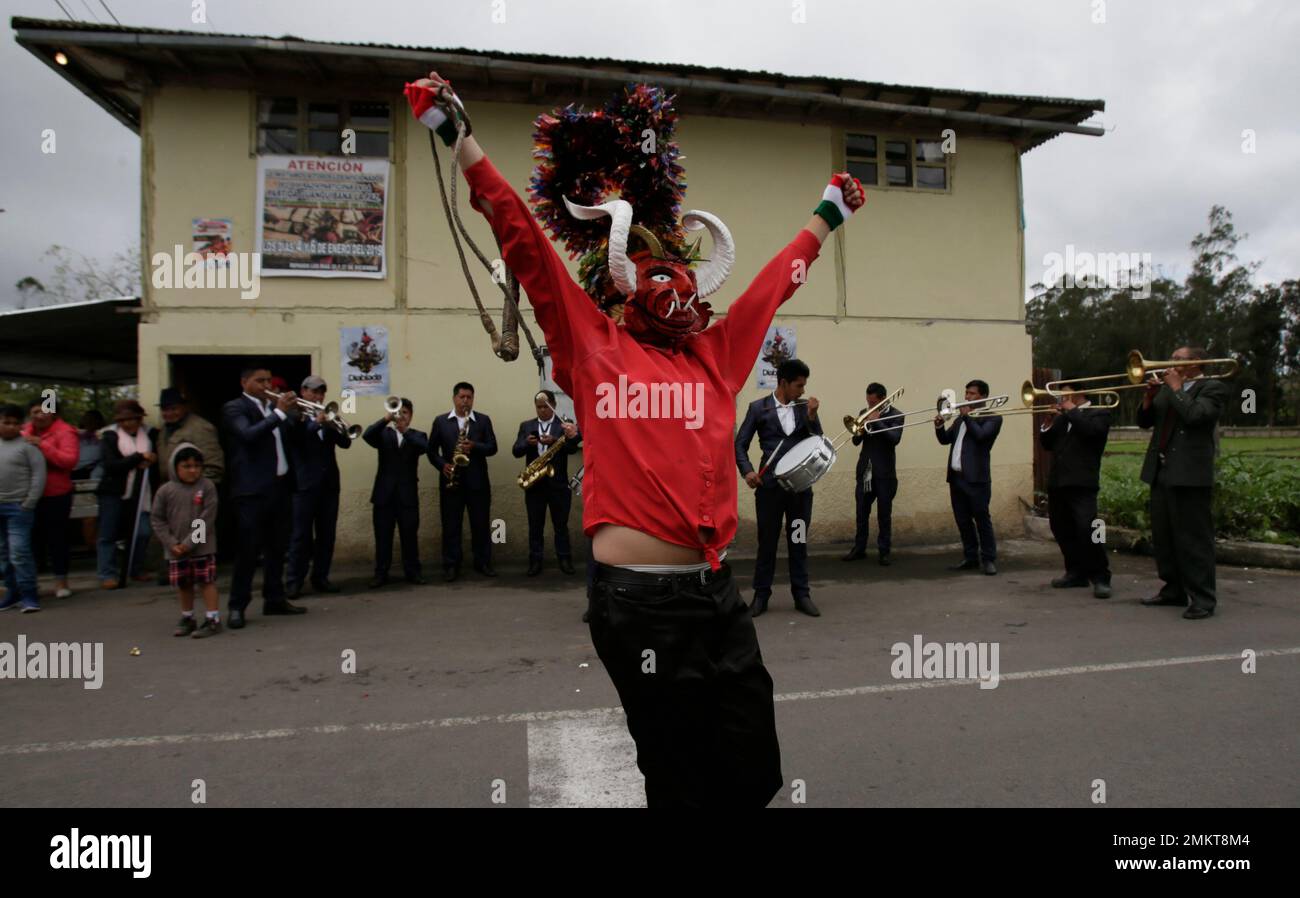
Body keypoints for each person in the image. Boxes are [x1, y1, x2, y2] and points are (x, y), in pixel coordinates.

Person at [407, 73, 865, 806]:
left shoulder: (716, 356)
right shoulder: (592, 347)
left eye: (685, 274)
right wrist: (459, 138)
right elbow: (522, 236)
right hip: (637, 606)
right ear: (620, 284)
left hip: (716, 591)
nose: (678, 286)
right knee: (678, 775)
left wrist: (827, 214)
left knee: (754, 767)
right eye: (659, 273)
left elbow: (775, 285)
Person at [1135, 347, 1228, 620]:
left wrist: (1176, 389)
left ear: (1196, 363)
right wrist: (1149, 398)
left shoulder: (1213, 387)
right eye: (1171, 357)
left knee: (1193, 538)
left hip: (1190, 474)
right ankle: (1173, 589)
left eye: (1178, 359)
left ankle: (1203, 598)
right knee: (1164, 536)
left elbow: (1196, 417)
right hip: (1161, 470)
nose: (1170, 362)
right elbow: (1144, 423)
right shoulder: (1167, 388)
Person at [734, 358, 823, 617]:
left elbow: (817, 439)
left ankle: (801, 594)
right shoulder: (758, 408)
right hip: (770, 488)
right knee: (767, 543)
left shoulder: (804, 408)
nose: (803, 390)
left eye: (804, 385)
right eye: (799, 385)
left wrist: (812, 417)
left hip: (799, 488)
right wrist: (748, 470)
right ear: (783, 383)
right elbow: (740, 444)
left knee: (798, 540)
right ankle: (761, 596)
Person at [220, 365, 306, 629]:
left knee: (277, 548)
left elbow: (295, 438)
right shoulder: (235, 408)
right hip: (252, 491)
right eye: (260, 381)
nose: (266, 385)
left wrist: (301, 416)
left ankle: (274, 599)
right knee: (248, 550)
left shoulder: (273, 410)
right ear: (244, 382)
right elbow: (248, 435)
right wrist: (280, 411)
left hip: (279, 487)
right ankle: (237, 606)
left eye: (268, 380)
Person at [1039, 386, 1113, 598]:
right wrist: (1047, 422)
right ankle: (1076, 572)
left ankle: (1101, 576)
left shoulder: (1099, 413)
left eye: (1065, 391)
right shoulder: (1063, 417)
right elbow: (1048, 444)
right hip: (1059, 481)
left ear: (1080, 392)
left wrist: (1072, 411)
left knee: (1091, 528)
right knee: (1061, 528)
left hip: (1083, 482)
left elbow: (1091, 433)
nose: (1061, 396)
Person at [286, 375, 351, 597]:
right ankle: (294, 580)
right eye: (313, 392)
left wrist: (337, 424)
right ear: (303, 392)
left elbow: (346, 443)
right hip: (304, 485)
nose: (318, 396)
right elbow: (296, 440)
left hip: (329, 484)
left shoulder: (328, 416)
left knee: (326, 534)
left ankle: (320, 577)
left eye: (321, 392)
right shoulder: (294, 414)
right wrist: (317, 423)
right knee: (301, 535)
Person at [150, 443, 221, 638]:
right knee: (184, 583)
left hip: (202, 547)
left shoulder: (207, 487)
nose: (193, 471)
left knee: (206, 581)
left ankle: (212, 618)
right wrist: (171, 543)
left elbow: (207, 517)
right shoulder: (165, 490)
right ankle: (187, 617)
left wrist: (189, 543)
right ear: (175, 467)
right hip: (175, 548)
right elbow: (158, 519)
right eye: (187, 466)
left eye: (197, 466)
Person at [429, 382, 498, 581]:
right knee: (451, 525)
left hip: (478, 483)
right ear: (454, 398)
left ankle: (483, 562)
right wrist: (443, 465)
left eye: (469, 397)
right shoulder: (441, 421)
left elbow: (493, 447)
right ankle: (451, 565)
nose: (465, 401)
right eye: (462, 397)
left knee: (481, 524)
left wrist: (474, 446)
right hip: (452, 482)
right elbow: (431, 450)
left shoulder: (483, 420)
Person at [935, 379, 1002, 575]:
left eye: (971, 393)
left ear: (983, 396)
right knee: (962, 520)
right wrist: (938, 426)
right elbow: (944, 440)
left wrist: (967, 417)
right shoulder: (959, 420)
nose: (966, 397)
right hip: (956, 478)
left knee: (982, 519)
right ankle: (970, 557)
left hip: (976, 479)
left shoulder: (993, 418)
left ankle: (989, 559)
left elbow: (981, 436)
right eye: (966, 393)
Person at [513, 390, 581, 576]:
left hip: (557, 485)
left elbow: (572, 448)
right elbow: (516, 451)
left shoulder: (562, 426)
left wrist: (557, 441)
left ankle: (565, 559)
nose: (542, 410)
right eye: (539, 407)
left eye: (545, 406)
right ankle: (535, 561)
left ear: (553, 406)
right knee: (535, 526)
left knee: (561, 525)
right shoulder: (526, 426)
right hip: (535, 485)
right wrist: (527, 443)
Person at [363, 398, 428, 587]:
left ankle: (413, 572)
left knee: (409, 536)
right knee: (383, 536)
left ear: (411, 416)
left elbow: (425, 448)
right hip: (384, 495)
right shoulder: (383, 434)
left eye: (405, 413)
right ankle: (381, 573)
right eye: (399, 412)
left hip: (407, 495)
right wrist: (386, 418)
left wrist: (405, 430)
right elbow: (367, 435)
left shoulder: (418, 435)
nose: (402, 416)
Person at [95, 400, 158, 588]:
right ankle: (107, 574)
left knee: (143, 532)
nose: (128, 423)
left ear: (139, 419)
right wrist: (138, 457)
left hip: (143, 491)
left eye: (132, 419)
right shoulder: (109, 436)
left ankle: (135, 568)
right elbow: (111, 465)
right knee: (108, 533)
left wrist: (150, 459)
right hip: (113, 491)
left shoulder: (151, 434)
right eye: (123, 420)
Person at [22, 397, 80, 599]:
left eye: (43, 411)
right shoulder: (24, 431)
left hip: (56, 493)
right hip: (28, 494)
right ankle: (30, 583)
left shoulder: (65, 431)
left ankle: (61, 581)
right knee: (29, 540)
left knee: (57, 539)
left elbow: (69, 461)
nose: (39, 415)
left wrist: (42, 445)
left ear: (54, 413)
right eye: (35, 411)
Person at [843, 382, 904, 566]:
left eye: (872, 402)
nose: (869, 406)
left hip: (885, 473)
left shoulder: (897, 415)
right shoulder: (864, 411)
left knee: (884, 514)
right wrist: (862, 425)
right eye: (868, 402)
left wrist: (877, 420)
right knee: (861, 512)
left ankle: (884, 551)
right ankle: (859, 548)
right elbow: (855, 440)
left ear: (882, 399)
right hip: (866, 471)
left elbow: (895, 439)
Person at [0, 403, 46, 613]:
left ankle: (29, 595)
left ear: (22, 425)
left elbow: (39, 475)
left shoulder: (28, 446)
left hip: (19, 507)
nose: (10, 427)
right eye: (5, 422)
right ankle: (12, 593)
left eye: (15, 423)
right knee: (3, 554)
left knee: (19, 552)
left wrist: (29, 502)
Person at [155, 388, 224, 485]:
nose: (169, 413)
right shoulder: (163, 430)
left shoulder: (201, 428)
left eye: (174, 408)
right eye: (164, 409)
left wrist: (194, 490)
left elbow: (213, 468)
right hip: (171, 492)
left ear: (184, 407)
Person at [72, 408, 106, 551]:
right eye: (87, 420)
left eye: (93, 421)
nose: (89, 423)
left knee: (89, 516)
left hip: (92, 477)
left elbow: (104, 460)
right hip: (73, 475)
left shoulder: (103, 438)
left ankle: (92, 547)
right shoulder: (75, 436)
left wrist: (95, 476)